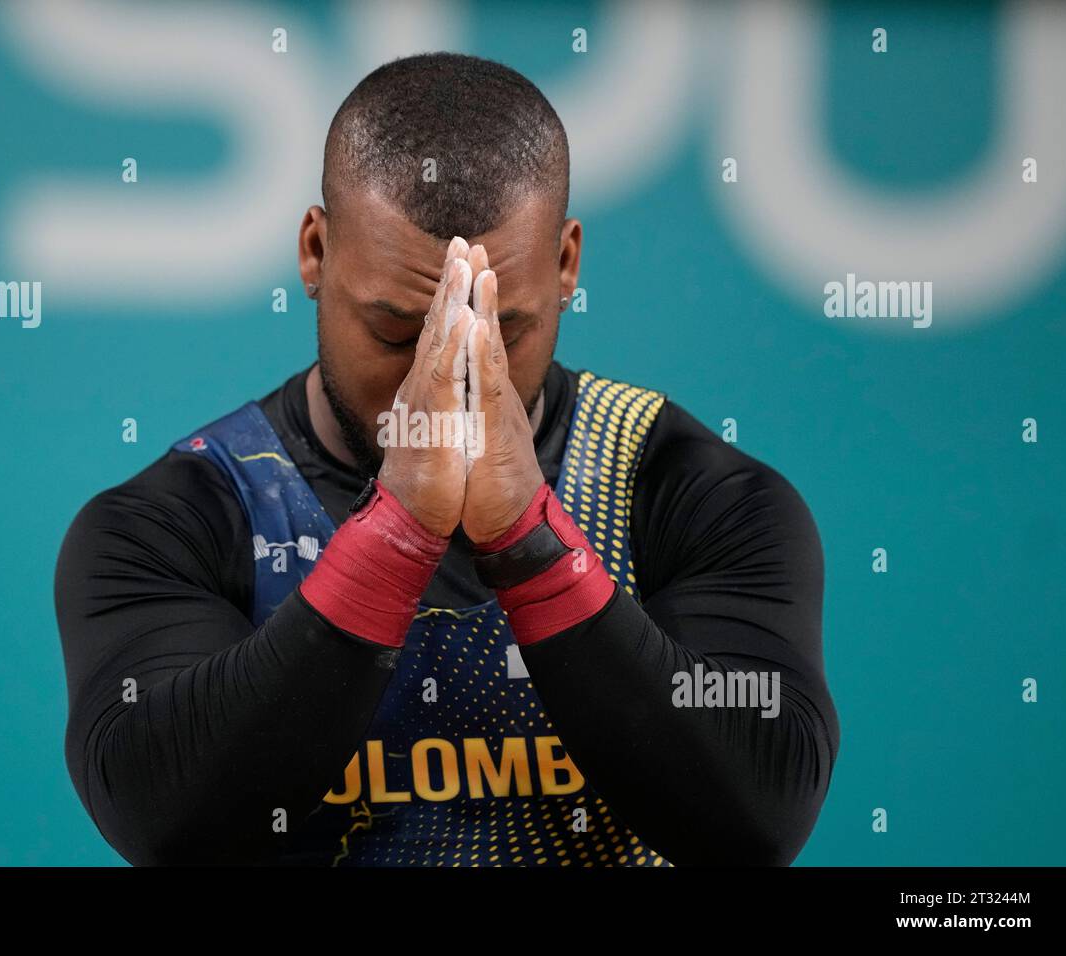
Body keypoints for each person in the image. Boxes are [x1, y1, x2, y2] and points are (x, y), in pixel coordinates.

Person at [53, 52, 839, 867]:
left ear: (566, 263)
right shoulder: (173, 520)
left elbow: (758, 820)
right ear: (315, 250)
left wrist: (528, 541)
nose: (448, 377)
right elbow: (166, 822)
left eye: (504, 329)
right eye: (398, 331)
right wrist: (398, 534)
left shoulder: (688, 493)